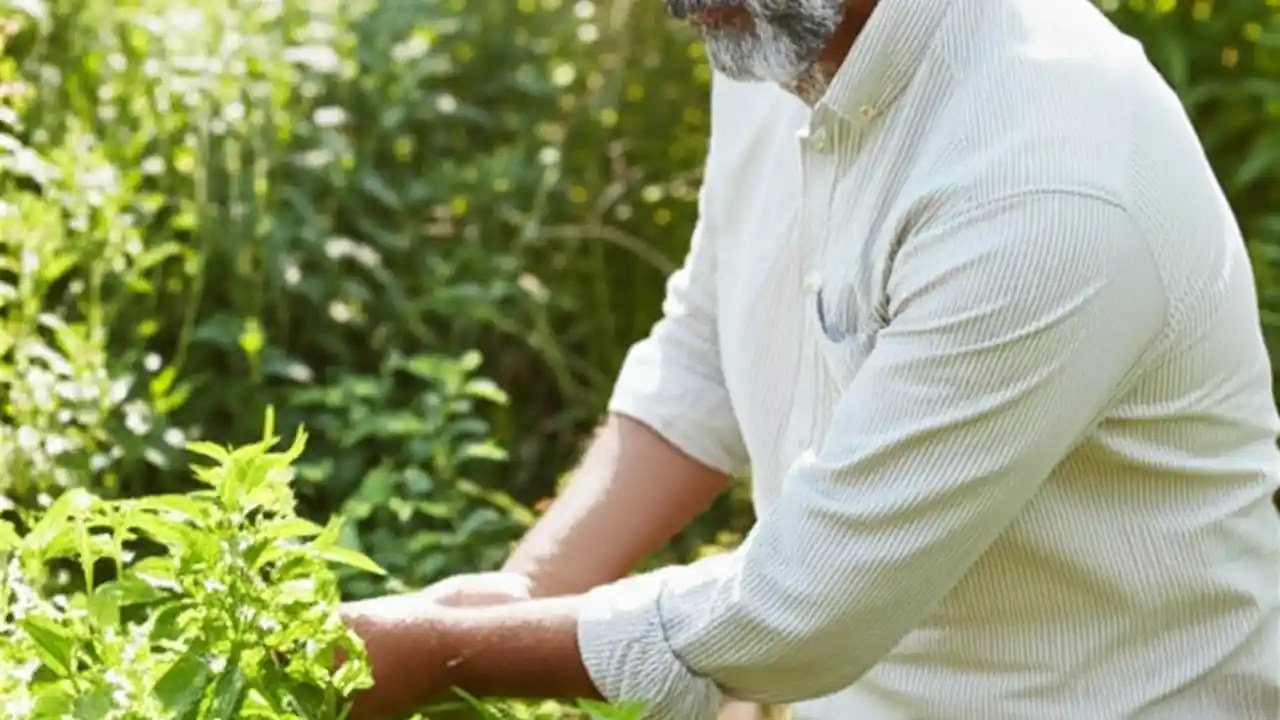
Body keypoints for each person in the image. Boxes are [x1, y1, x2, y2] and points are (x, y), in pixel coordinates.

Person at [338, 0, 1280, 718]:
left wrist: (439, 653)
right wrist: (528, 590)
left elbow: (802, 606)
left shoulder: (1042, 179)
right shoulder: (773, 35)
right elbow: (708, 346)